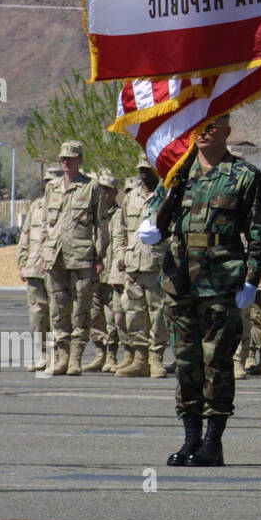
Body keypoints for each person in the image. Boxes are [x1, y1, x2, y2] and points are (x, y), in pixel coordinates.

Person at [139, 115, 261, 467]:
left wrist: (250, 279)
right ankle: (190, 440)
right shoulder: (176, 173)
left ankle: (212, 443)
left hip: (222, 281)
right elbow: (154, 211)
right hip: (179, 279)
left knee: (217, 363)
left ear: (227, 130)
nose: (204, 132)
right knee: (186, 362)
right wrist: (150, 226)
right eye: (200, 126)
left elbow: (260, 236)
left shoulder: (243, 177)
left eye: (213, 126)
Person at [40, 141, 107, 376]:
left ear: (80, 160)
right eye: (62, 159)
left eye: (70, 158)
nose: (65, 162)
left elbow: (101, 226)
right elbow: (45, 225)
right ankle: (62, 356)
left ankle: (76, 357)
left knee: (81, 307)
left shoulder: (91, 187)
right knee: (58, 308)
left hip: (81, 255)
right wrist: (42, 252)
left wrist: (99, 255)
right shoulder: (53, 188)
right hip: (54, 255)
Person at [109, 156, 167, 377]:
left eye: (147, 169)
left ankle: (156, 358)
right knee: (133, 312)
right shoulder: (130, 197)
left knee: (158, 312)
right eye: (140, 169)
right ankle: (139, 357)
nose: (143, 173)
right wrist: (121, 254)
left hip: (156, 264)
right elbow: (121, 230)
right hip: (132, 265)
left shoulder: (165, 197)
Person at [17, 172, 58, 372]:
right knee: (37, 315)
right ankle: (43, 355)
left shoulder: (65, 207)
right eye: (47, 182)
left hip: (58, 268)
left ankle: (58, 356)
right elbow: (24, 237)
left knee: (59, 314)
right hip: (35, 268)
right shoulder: (36, 206)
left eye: (54, 181)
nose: (50, 185)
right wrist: (22, 263)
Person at [86, 171, 123, 372]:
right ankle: (99, 353)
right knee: (93, 314)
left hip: (112, 273)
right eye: (101, 189)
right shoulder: (91, 214)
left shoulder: (120, 214)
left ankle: (112, 355)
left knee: (113, 316)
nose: (104, 193)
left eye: (108, 189)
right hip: (92, 272)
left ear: (116, 191)